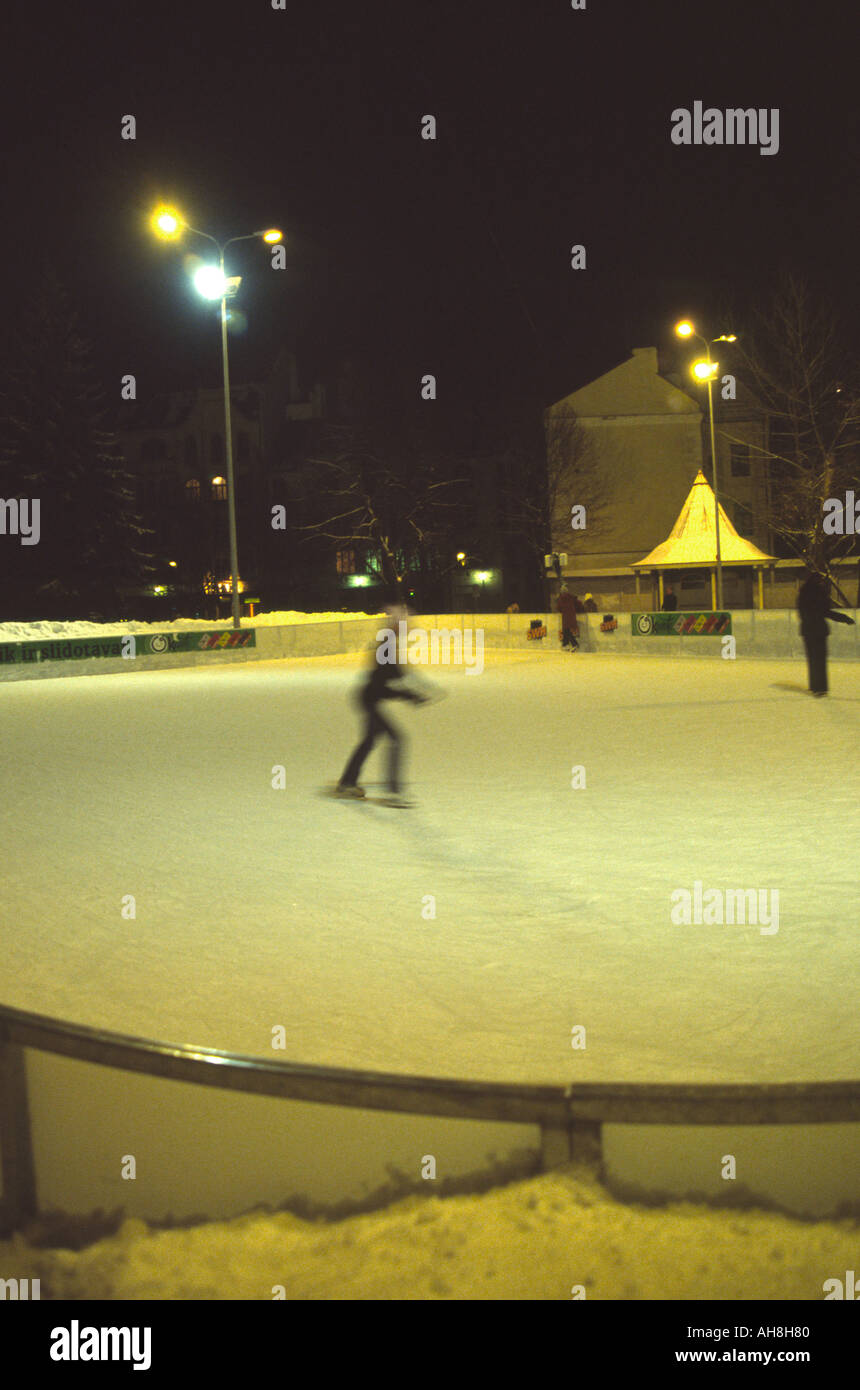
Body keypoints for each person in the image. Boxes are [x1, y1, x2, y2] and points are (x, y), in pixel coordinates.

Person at [335, 616, 428, 804]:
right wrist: (410, 695)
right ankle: (393, 791)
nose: (405, 631)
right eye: (401, 628)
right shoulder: (386, 648)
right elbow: (385, 683)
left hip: (369, 698)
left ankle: (347, 782)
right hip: (370, 699)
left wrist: (411, 694)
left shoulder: (388, 647)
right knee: (397, 739)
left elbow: (394, 676)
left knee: (369, 741)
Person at [797, 570, 855, 696]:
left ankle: (814, 686)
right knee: (820, 660)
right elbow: (826, 612)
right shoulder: (819, 593)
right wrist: (844, 618)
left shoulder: (803, 593)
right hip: (819, 630)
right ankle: (821, 688)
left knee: (812, 659)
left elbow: (801, 613)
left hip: (807, 630)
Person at [556, 585, 580, 650]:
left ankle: (574, 644)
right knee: (566, 631)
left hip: (566, 617)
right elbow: (578, 604)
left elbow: (558, 608)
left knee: (567, 631)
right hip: (572, 616)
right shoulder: (572, 597)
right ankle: (565, 645)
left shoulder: (561, 599)